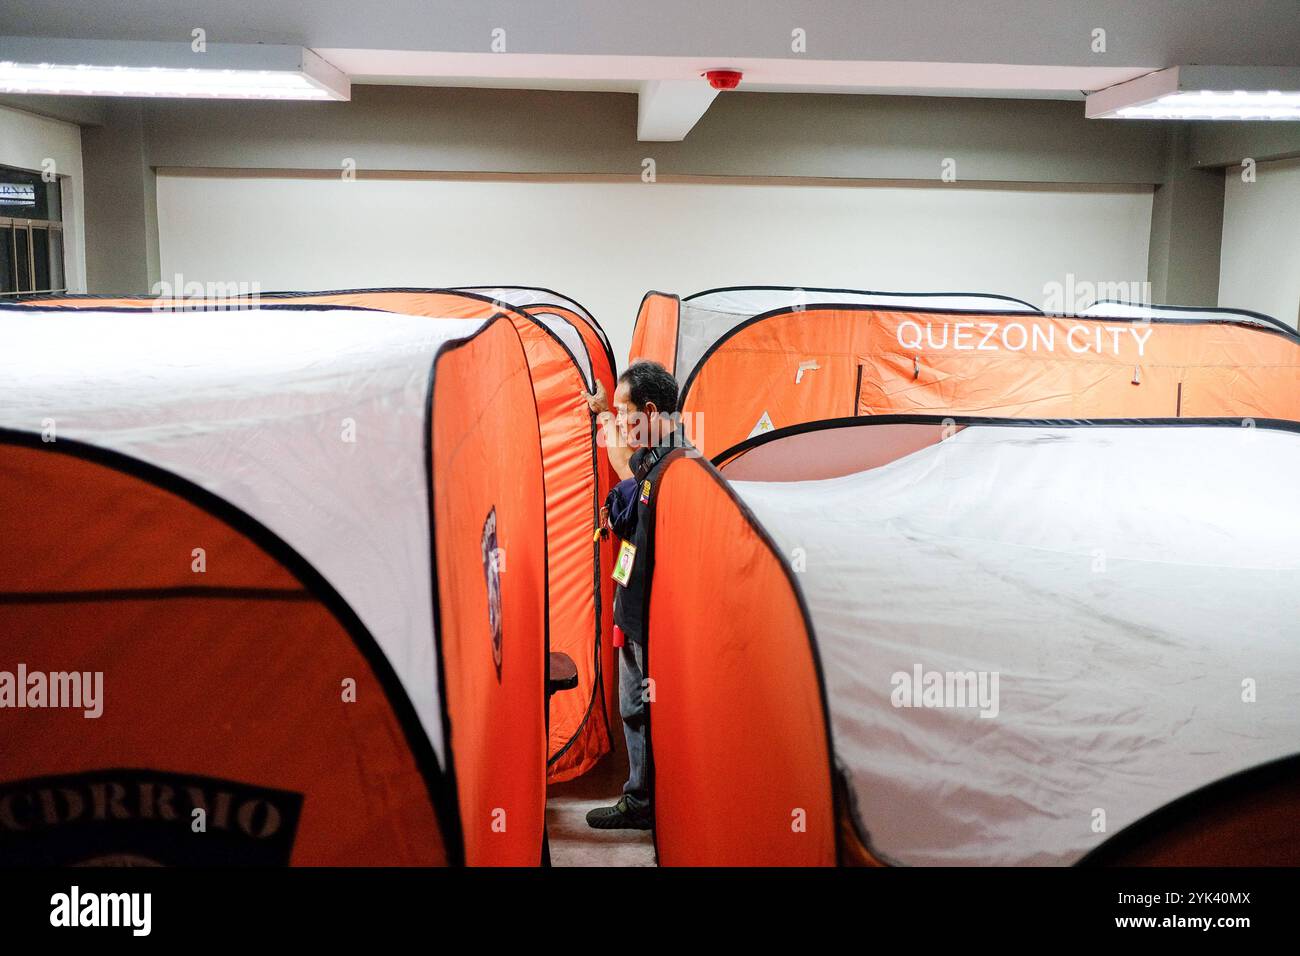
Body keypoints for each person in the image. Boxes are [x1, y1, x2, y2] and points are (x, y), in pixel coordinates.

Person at [584, 360, 684, 830]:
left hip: (652, 625)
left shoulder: (679, 472)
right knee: (634, 710)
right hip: (635, 615)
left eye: (625, 414)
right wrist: (605, 413)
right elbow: (624, 462)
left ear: (648, 411)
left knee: (643, 712)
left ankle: (646, 803)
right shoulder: (655, 460)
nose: (621, 425)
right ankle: (644, 799)